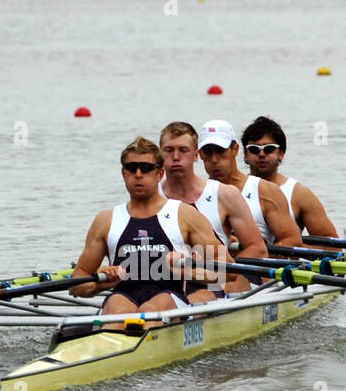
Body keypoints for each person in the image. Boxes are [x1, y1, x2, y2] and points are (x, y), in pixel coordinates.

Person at [69, 136, 226, 326]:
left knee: (151, 310)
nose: (138, 174)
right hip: (122, 298)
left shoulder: (184, 215)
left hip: (169, 299)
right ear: (123, 173)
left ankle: (129, 342)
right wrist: (99, 284)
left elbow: (226, 271)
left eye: (145, 168)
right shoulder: (106, 220)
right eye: (131, 168)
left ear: (159, 174)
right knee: (118, 306)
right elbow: (76, 284)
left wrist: (186, 271)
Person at [156, 121, 268, 297]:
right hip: (163, 280)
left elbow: (258, 249)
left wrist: (215, 271)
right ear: (160, 155)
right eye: (169, 150)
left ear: (196, 155)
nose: (176, 157)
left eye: (183, 150)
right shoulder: (149, 197)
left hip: (213, 280)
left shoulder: (225, 194)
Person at [196, 120, 303, 250]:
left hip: (256, 267)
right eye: (208, 152)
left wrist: (255, 253)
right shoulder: (194, 195)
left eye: (220, 151)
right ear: (199, 154)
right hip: (213, 267)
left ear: (235, 149)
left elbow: (291, 240)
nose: (214, 159)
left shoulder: (265, 191)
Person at [241, 116, 339, 239]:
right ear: (245, 155)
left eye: (269, 149)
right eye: (254, 149)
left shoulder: (300, 195)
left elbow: (333, 247)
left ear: (281, 153)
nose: (261, 154)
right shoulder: (231, 190)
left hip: (283, 257)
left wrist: (293, 244)